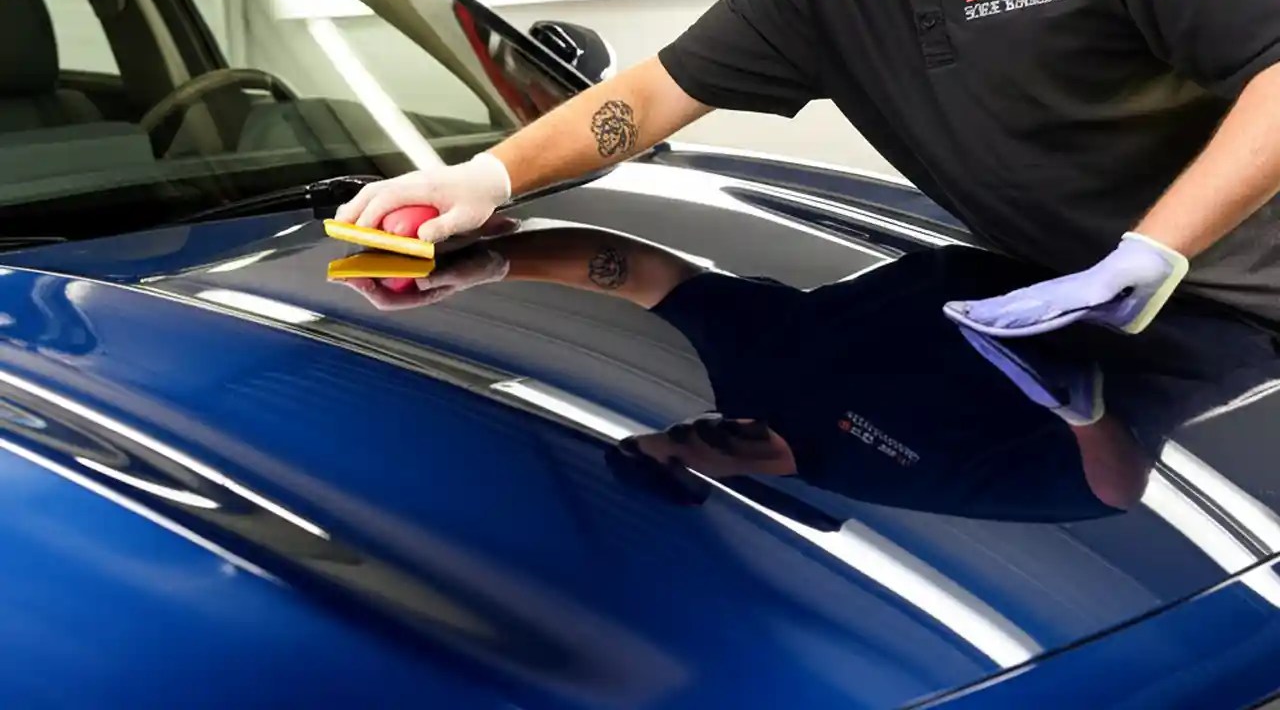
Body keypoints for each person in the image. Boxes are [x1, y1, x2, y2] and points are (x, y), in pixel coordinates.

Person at [335, 0, 1280, 336]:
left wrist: (1153, 249)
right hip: (1096, 330)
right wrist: (485, 178)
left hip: (1245, 301)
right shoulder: (808, 4)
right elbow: (650, 97)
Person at [336, 226, 1185, 522]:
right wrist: (1083, 414)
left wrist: (487, 262)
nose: (672, 442)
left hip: (1027, 225)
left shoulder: (747, 362)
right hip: (1159, 315)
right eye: (670, 465)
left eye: (646, 445)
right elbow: (1104, 496)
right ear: (705, 483)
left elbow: (635, 271)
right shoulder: (884, 476)